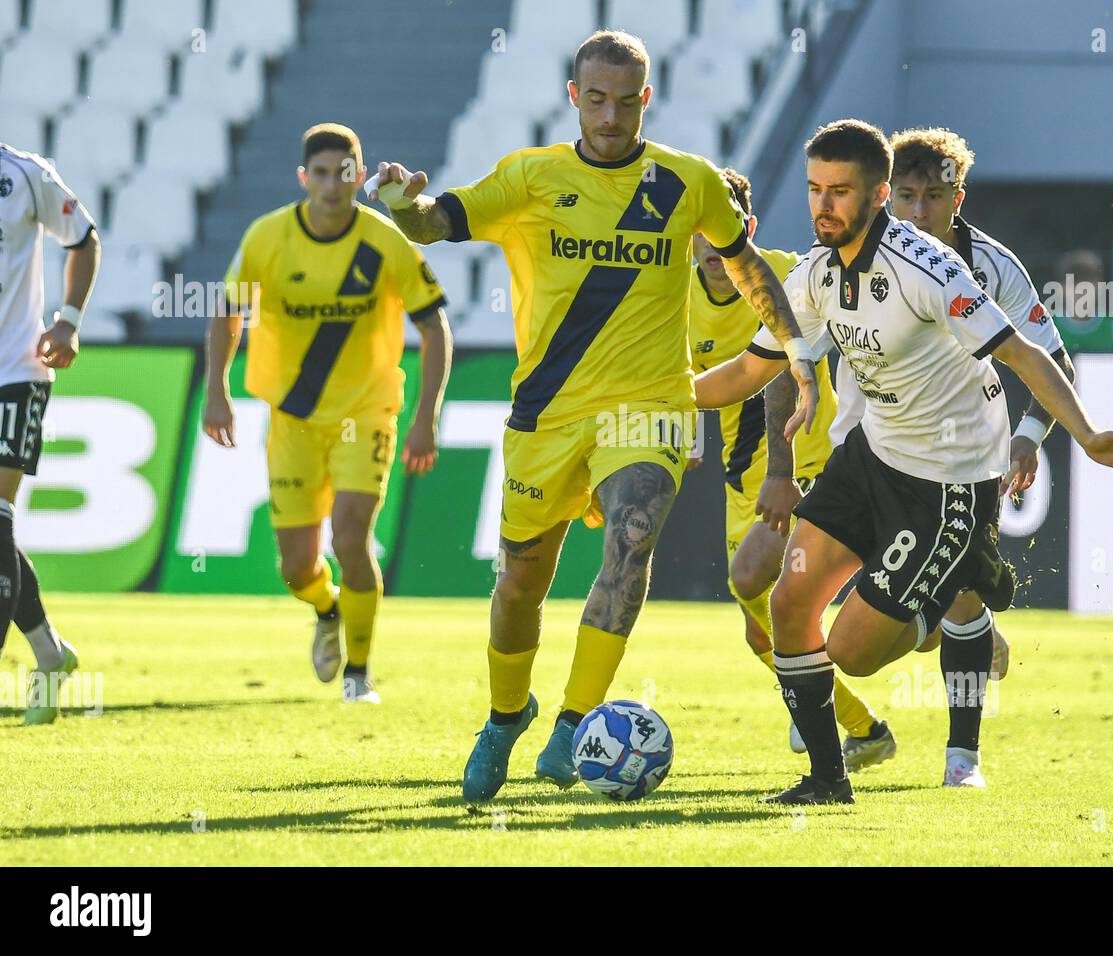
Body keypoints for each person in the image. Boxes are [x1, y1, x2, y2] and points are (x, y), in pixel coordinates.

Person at [369, 30, 818, 801]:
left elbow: (745, 265)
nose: (610, 115)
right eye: (596, 100)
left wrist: (796, 348)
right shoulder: (532, 177)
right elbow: (432, 224)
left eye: (626, 101)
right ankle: (507, 715)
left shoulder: (689, 182)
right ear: (575, 98)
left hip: (651, 408)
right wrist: (401, 198)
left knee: (631, 542)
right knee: (519, 586)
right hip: (547, 414)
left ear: (647, 99)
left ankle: (577, 720)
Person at [695, 119, 1113, 804]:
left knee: (852, 650)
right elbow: (747, 372)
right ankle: (827, 781)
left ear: (876, 196)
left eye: (840, 191)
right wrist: (637, 394)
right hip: (871, 453)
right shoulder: (817, 273)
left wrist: (1083, 434)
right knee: (789, 602)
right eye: (815, 189)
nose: (823, 205)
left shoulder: (932, 268)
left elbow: (1025, 352)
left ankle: (956, 598)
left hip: (949, 479)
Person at [762, 126, 1076, 786]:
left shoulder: (992, 270)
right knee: (803, 600)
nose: (919, 211)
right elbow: (783, 351)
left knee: (953, 596)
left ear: (957, 197)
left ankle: (962, 759)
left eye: (934, 197)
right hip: (862, 444)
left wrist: (1028, 434)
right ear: (886, 197)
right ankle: (831, 738)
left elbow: (1047, 357)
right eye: (906, 197)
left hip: (957, 462)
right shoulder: (847, 256)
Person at [203, 123, 452, 703]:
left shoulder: (386, 241)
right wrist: (217, 388)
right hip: (292, 419)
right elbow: (227, 311)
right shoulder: (268, 238)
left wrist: (425, 416)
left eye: (344, 173)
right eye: (320, 173)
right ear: (303, 178)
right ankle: (328, 608)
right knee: (296, 569)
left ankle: (359, 674)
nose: (332, 184)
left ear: (358, 176)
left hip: (367, 413)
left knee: (349, 538)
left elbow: (434, 327)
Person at [688, 166, 893, 770]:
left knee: (751, 580)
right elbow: (683, 377)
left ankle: (834, 710)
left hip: (805, 461)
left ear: (743, 228)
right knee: (760, 632)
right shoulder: (678, 296)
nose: (707, 246)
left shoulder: (786, 276)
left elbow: (778, 372)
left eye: (719, 229)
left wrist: (785, 474)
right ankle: (864, 727)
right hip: (739, 474)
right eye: (698, 231)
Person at [0, 141, 100, 724]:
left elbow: (83, 239)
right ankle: (49, 653)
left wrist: (69, 319)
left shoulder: (25, 175)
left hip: (16, 369)